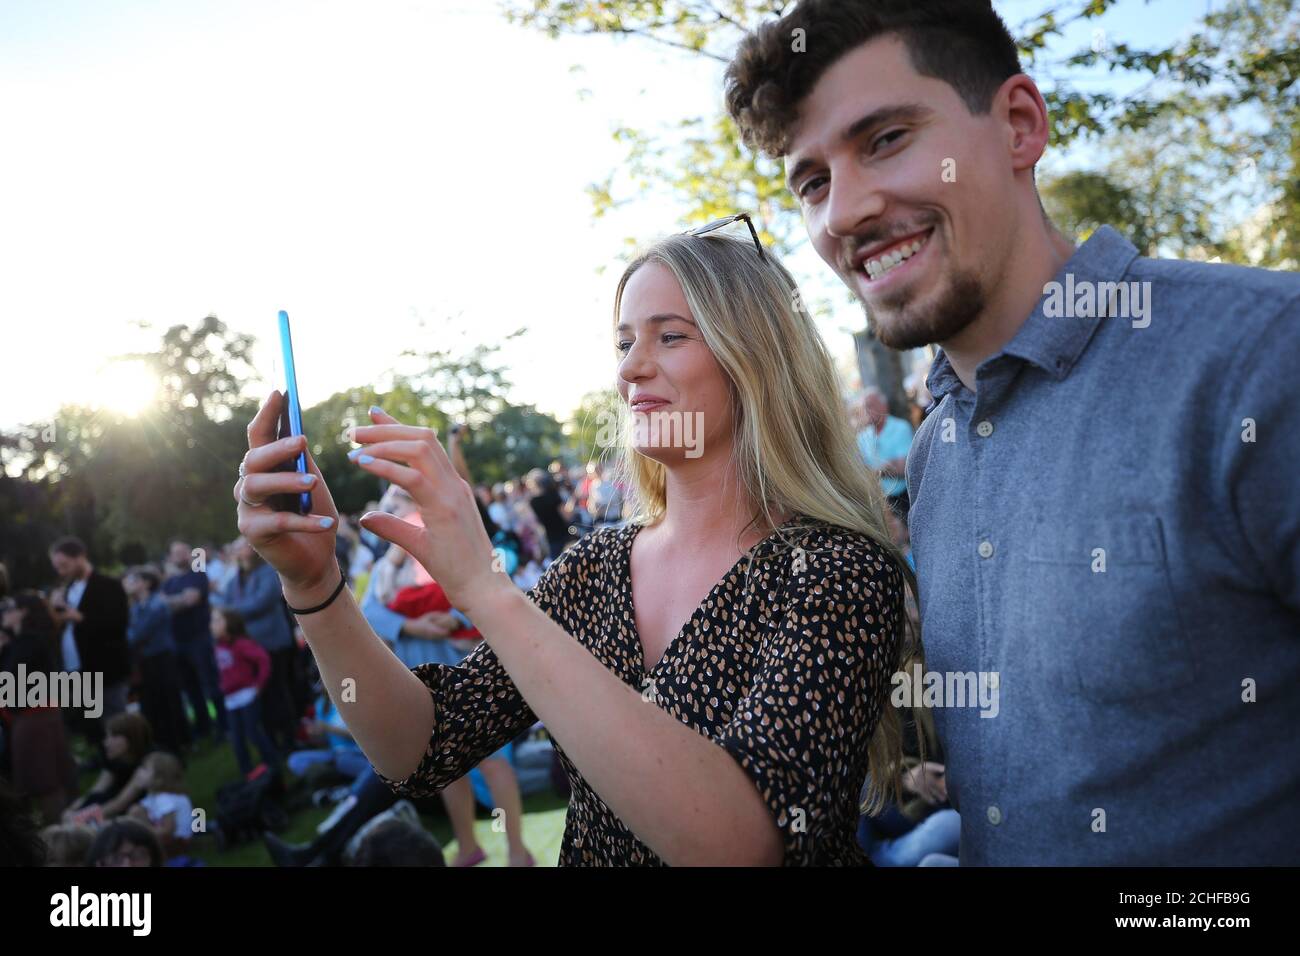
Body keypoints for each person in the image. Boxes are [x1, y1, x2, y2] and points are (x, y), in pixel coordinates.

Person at [723, 0, 1300, 864]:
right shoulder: (935, 453)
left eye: (885, 139)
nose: (843, 212)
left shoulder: (1261, 358)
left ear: (1021, 124)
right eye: (812, 181)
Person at [231, 222, 915, 866]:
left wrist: (484, 588)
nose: (631, 371)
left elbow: (738, 843)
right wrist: (314, 587)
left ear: (758, 359)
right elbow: (418, 749)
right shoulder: (595, 568)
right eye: (624, 344)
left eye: (670, 336)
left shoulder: (835, 573)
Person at [0, 591, 78, 823]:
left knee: (43, 781)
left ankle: (60, 833)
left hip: (35, 718)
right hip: (38, 717)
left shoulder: (29, 641)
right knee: (52, 777)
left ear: (22, 612)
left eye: (9, 609)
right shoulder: (25, 641)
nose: (4, 614)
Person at [46, 536, 130, 743]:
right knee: (94, 726)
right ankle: (107, 763)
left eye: (64, 565)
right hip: (77, 670)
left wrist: (80, 617)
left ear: (81, 557)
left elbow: (118, 624)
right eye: (57, 567)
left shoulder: (108, 585)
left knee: (117, 723)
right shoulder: (66, 590)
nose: (61, 571)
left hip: (106, 669)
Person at [222, 538, 297, 752]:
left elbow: (262, 601)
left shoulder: (267, 571)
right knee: (260, 695)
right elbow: (225, 603)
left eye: (241, 546)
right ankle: (271, 739)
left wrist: (233, 612)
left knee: (277, 692)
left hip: (272, 643)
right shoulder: (235, 578)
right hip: (249, 648)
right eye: (234, 548)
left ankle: (290, 738)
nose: (236, 550)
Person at [161, 540, 227, 744]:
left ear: (189, 554)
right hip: (179, 642)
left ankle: (224, 726)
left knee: (210, 683)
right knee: (191, 688)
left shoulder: (198, 575)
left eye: (183, 552)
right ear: (171, 557)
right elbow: (162, 604)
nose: (180, 556)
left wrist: (174, 601)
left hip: (200, 638)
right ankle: (203, 726)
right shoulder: (170, 582)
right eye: (176, 553)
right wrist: (179, 600)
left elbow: (191, 600)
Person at [124, 566, 190, 757]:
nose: (128, 585)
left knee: (170, 701)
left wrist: (127, 635)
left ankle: (180, 743)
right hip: (147, 662)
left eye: (133, 581)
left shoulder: (157, 605)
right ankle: (164, 743)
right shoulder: (136, 607)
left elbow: (137, 634)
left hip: (162, 659)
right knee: (153, 704)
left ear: (145, 584)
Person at [211, 607, 280, 779]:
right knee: (236, 739)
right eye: (212, 621)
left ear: (230, 624)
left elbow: (263, 660)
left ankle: (273, 766)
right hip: (231, 700)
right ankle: (248, 774)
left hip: (247, 696)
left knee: (253, 733)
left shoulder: (241, 644)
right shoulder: (218, 646)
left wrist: (258, 685)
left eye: (217, 621)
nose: (212, 625)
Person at [854, 388, 913, 520]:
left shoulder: (900, 428)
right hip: (879, 502)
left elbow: (903, 468)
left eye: (870, 405)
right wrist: (887, 466)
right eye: (863, 407)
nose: (866, 411)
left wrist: (873, 472)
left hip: (904, 498)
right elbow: (857, 471)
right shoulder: (862, 437)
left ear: (884, 406)